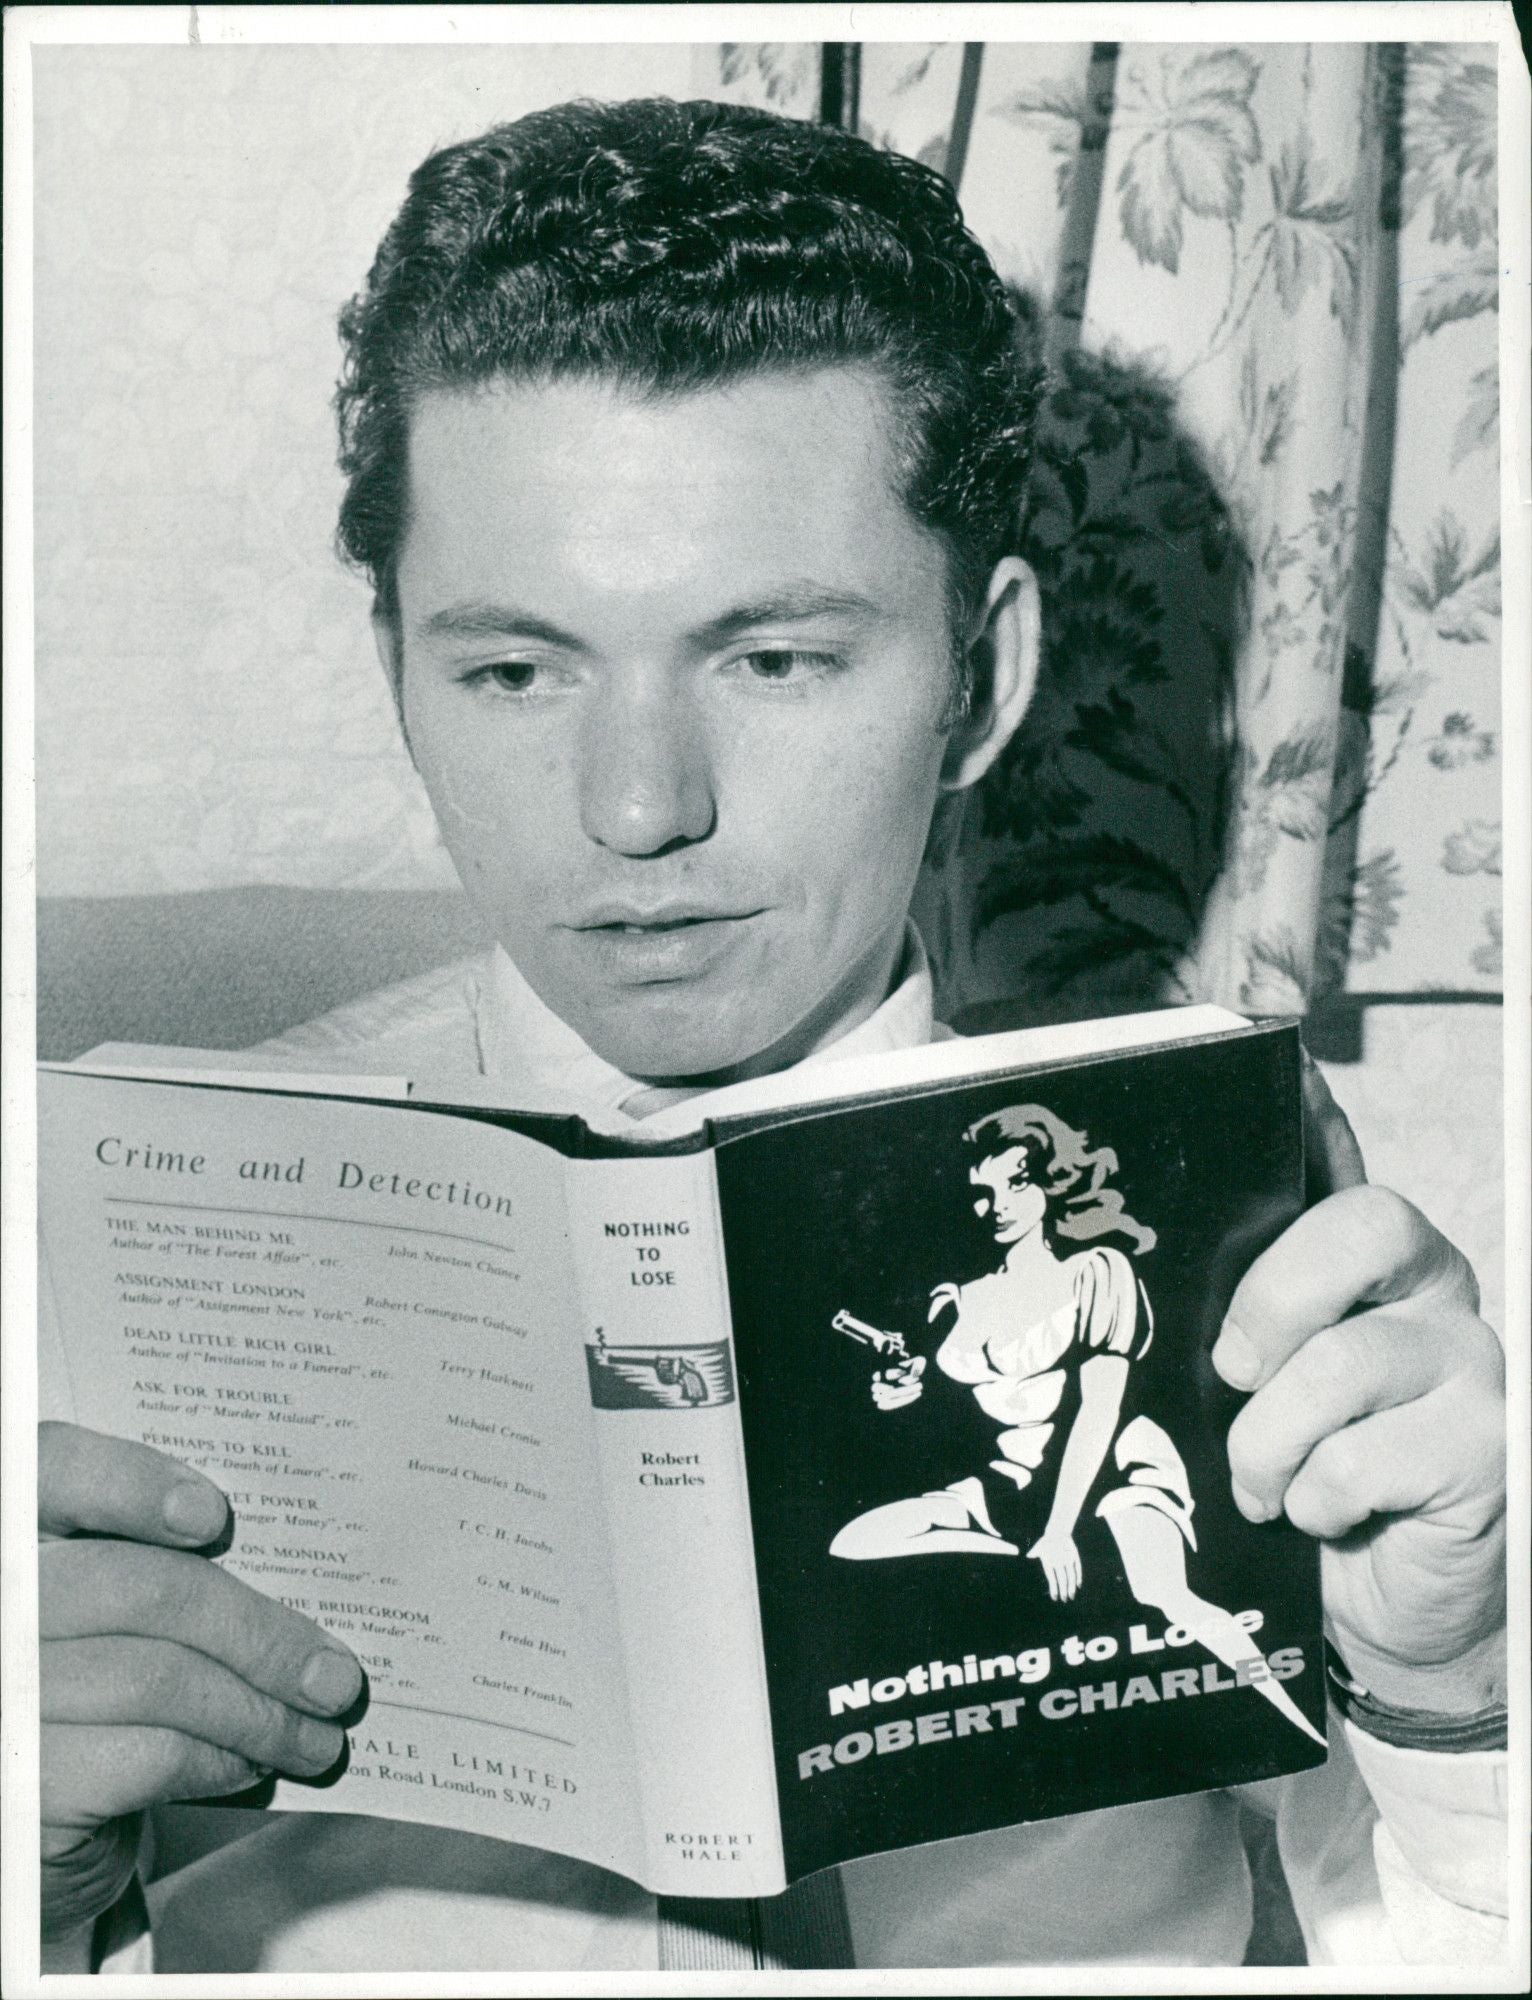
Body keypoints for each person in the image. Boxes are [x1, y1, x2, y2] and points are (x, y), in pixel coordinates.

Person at [39, 97, 1507, 1973]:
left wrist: (1454, 1685)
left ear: (986, 682)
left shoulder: (1250, 1211)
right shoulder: (83, 1263)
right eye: (513, 668)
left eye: (774, 659)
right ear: (397, 675)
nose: (638, 808)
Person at [829, 1102, 1324, 1747]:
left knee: (1167, 1597)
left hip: (1113, 1461)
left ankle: (1295, 1724)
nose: (999, 1204)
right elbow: (928, 1395)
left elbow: (1099, 1410)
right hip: (1010, 1478)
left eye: (1019, 1183)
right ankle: (1015, 1563)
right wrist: (899, 1391)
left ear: (1052, 1185)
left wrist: (1060, 1531)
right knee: (856, 1542)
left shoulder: (1096, 1272)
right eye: (984, 1192)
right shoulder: (959, 1299)